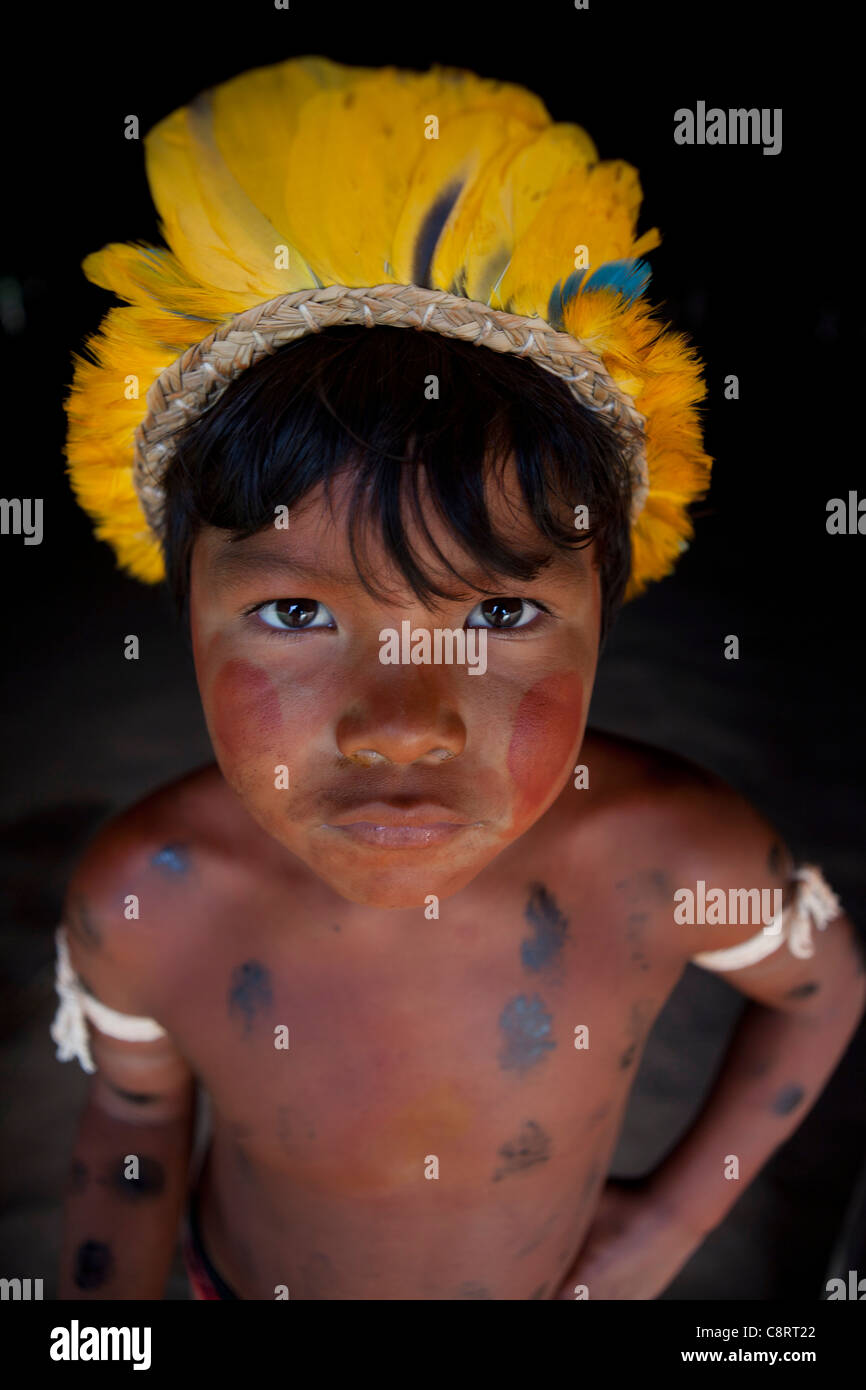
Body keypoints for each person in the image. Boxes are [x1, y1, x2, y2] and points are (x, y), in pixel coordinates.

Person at [53, 55, 866, 1301]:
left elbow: (821, 991)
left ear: (607, 606)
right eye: (291, 609)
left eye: (497, 610)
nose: (397, 728)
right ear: (184, 612)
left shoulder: (678, 858)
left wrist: (663, 1230)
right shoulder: (145, 900)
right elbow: (131, 1120)